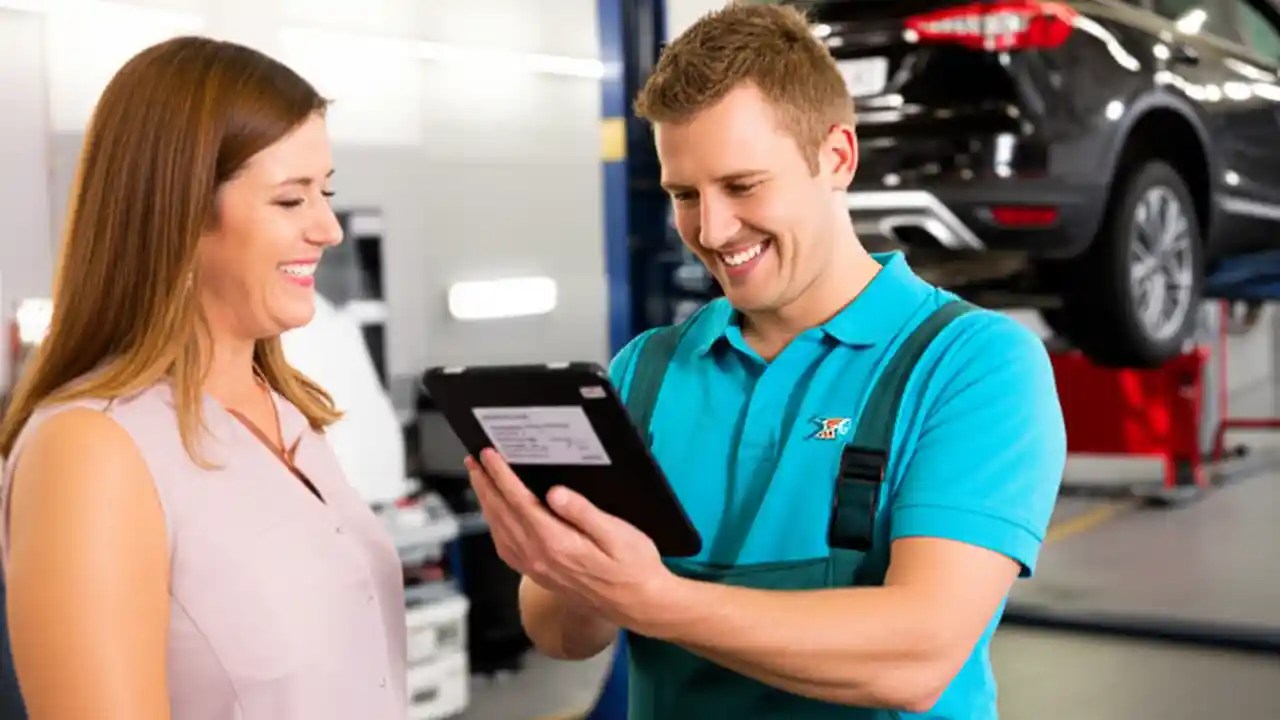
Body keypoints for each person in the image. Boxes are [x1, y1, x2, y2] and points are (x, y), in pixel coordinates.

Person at [464, 4, 1066, 719]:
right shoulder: (645, 374)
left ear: (837, 156)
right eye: (684, 195)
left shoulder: (972, 366)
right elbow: (561, 634)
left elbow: (917, 656)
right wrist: (561, 566)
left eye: (744, 186)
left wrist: (657, 601)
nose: (712, 231)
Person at [0, 36, 408, 720]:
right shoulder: (90, 450)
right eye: (290, 200)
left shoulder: (287, 415)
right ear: (180, 211)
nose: (329, 229)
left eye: (326, 192)